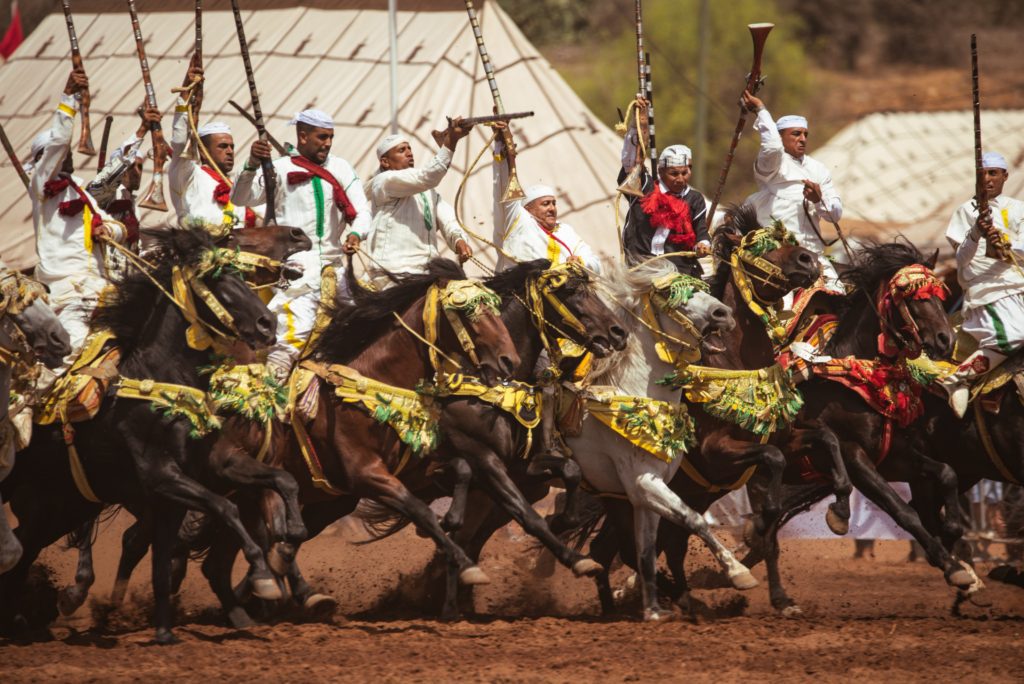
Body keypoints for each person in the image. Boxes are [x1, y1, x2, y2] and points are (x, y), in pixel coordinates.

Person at [232, 108, 371, 378]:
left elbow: (362, 210)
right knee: (294, 332)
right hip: (297, 267)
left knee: (368, 319)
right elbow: (241, 197)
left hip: (335, 266)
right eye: (322, 137)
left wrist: (357, 234)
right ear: (303, 136)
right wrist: (251, 163)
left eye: (331, 137)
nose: (328, 143)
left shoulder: (341, 167)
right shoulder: (279, 169)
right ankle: (270, 398)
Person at [28, 68, 127, 362]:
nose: (66, 154)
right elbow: (58, 143)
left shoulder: (80, 190)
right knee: (70, 355)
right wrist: (68, 99)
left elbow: (115, 225)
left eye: (67, 152)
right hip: (68, 292)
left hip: (100, 288)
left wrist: (109, 231)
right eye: (59, 153)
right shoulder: (42, 187)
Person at [940, 152, 1024, 417]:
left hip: (1017, 283)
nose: (987, 179)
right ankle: (958, 379)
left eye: (993, 173)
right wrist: (976, 233)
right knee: (1014, 335)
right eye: (982, 173)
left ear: (1004, 176)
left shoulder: (1018, 208)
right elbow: (962, 259)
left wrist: (1004, 244)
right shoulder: (965, 211)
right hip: (985, 290)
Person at [741, 90, 843, 290]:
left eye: (805, 134)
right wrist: (761, 110)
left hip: (813, 257)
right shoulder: (772, 166)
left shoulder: (818, 169)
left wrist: (818, 200)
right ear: (780, 137)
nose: (803, 139)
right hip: (778, 259)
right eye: (796, 134)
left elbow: (835, 215)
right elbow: (772, 148)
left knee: (840, 296)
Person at [364, 120, 474, 286]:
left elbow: (448, 219)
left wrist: (459, 240)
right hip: (394, 274)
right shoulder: (384, 181)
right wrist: (451, 141)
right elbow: (427, 177)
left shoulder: (427, 191)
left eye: (409, 149)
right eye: (402, 150)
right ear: (385, 162)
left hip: (428, 273)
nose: (409, 153)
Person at [492, 124, 601, 274]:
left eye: (554, 203)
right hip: (520, 293)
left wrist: (581, 262)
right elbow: (503, 187)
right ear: (527, 209)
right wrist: (502, 145)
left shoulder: (565, 230)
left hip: (563, 292)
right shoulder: (518, 221)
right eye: (545, 204)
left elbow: (596, 264)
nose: (552, 208)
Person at [619, 98, 710, 277]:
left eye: (685, 173)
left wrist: (703, 245)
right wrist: (640, 124)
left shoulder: (695, 199)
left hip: (679, 271)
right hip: (640, 267)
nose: (680, 179)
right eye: (674, 173)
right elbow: (632, 162)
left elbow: (702, 233)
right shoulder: (644, 188)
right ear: (661, 171)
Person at [167, 64, 255, 233]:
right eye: (223, 146)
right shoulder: (189, 174)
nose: (230, 151)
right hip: (199, 253)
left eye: (232, 147)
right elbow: (180, 142)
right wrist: (186, 91)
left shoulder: (240, 186)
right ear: (203, 151)